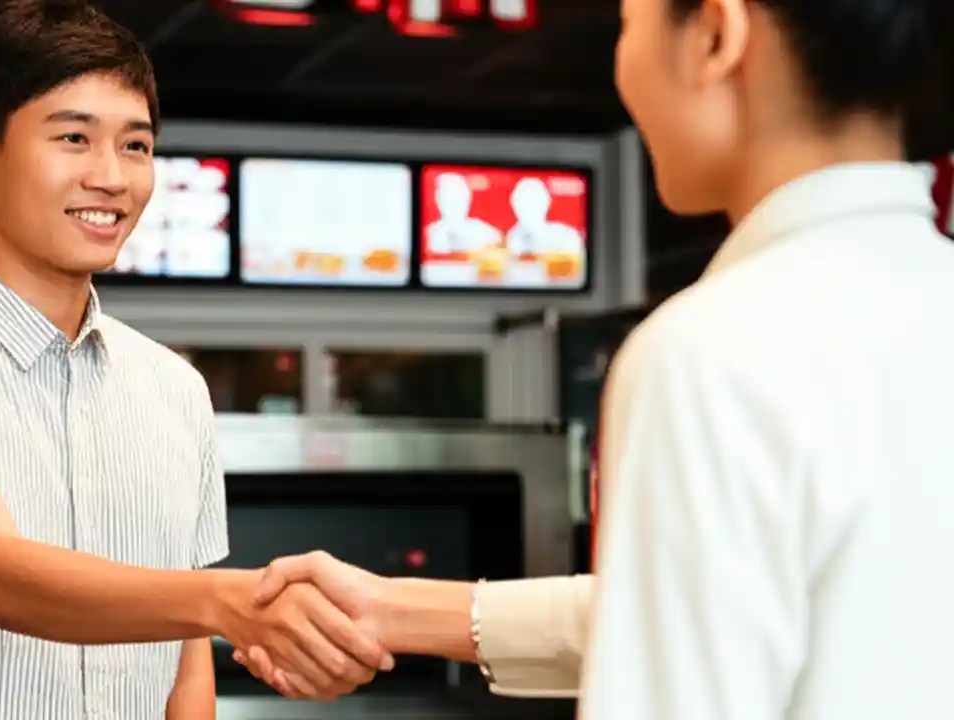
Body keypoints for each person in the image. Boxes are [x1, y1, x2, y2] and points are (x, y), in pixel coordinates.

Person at [237, 0, 954, 718]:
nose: (625, 71)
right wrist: (393, 608)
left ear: (714, 34)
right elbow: (715, 603)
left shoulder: (708, 352)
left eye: (629, 26)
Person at [0, 2, 388, 719]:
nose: (112, 178)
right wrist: (228, 601)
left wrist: (214, 611)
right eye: (73, 138)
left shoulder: (174, 388)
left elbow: (185, 666)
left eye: (136, 146)